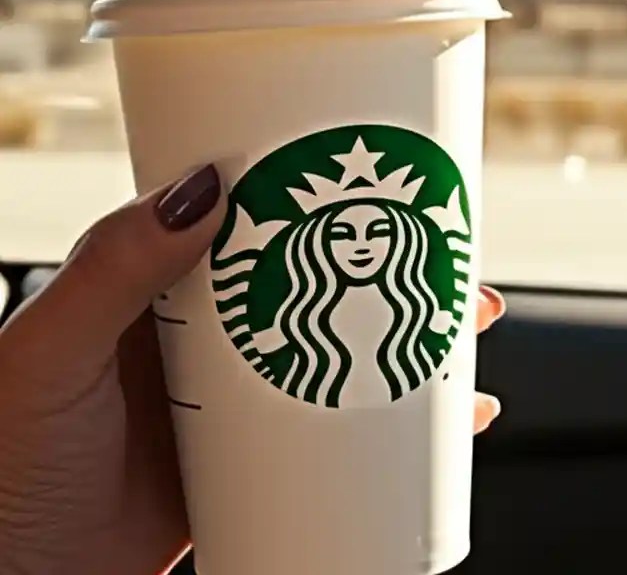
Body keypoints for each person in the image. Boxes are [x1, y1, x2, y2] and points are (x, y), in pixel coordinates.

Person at [0, 165, 506, 574]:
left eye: (377, 230)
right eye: (342, 233)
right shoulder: (296, 327)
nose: (360, 246)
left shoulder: (408, 318)